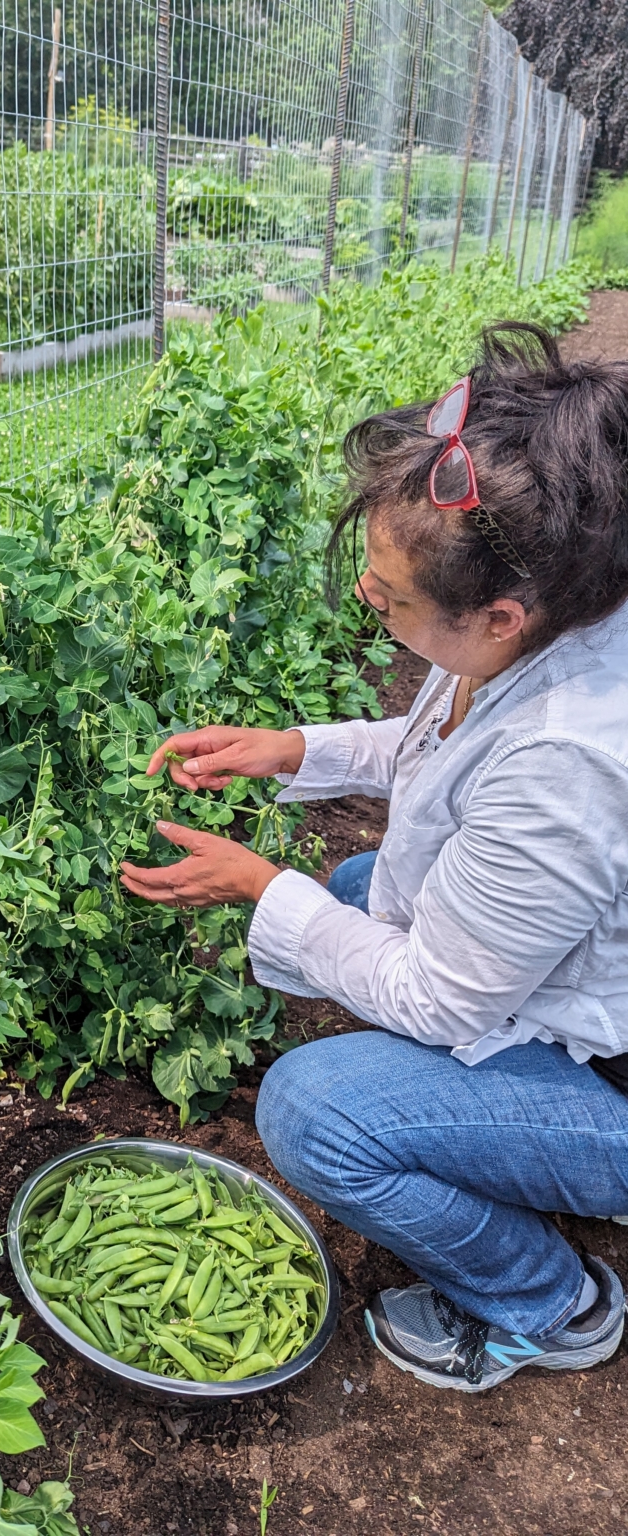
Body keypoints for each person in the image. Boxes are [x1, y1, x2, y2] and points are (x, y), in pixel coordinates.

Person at [119, 323, 628, 1392]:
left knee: (313, 1113)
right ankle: (487, 1143)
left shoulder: (568, 764)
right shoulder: (557, 612)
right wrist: (294, 751)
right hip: (570, 995)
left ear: (497, 616)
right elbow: (450, 746)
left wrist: (260, 887)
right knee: (360, 888)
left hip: (613, 1083)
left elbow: (441, 999)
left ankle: (548, 1303)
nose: (365, 594)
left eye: (387, 595)